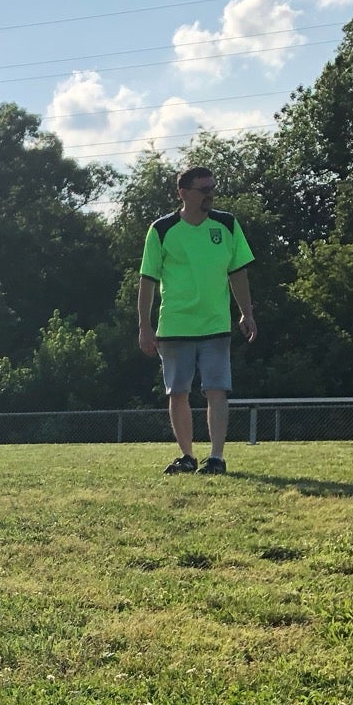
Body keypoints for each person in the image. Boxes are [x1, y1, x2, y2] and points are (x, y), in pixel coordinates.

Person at [137, 165, 257, 475]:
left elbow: (238, 272)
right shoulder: (162, 229)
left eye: (213, 188)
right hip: (175, 326)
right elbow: (147, 280)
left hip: (216, 325)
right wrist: (145, 326)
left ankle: (216, 458)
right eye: (204, 189)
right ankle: (187, 457)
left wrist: (247, 312)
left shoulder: (227, 225)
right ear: (183, 193)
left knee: (217, 390)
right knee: (178, 393)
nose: (210, 194)